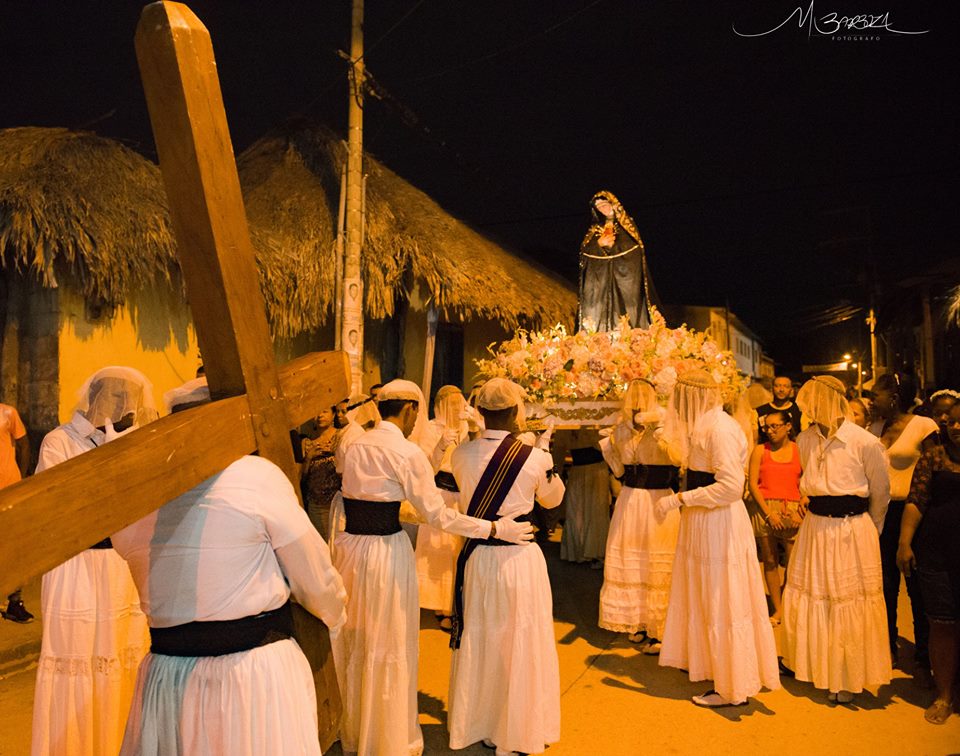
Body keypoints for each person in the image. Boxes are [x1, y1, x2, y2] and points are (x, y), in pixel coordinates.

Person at [113, 379, 347, 755]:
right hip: (251, 677)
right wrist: (334, 612)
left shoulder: (138, 495)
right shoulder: (254, 476)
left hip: (167, 677)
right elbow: (315, 576)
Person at [332, 379, 534, 756]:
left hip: (349, 551)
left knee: (356, 639)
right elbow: (437, 513)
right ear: (409, 410)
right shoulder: (404, 452)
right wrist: (491, 527)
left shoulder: (353, 443)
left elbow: (374, 490)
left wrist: (440, 448)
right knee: (389, 641)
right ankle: (387, 737)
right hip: (385, 556)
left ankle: (357, 730)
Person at [31, 367, 157, 756]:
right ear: (95, 397)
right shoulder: (60, 441)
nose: (122, 406)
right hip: (76, 564)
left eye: (128, 399)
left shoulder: (131, 441)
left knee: (121, 656)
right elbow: (57, 501)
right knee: (76, 655)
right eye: (115, 396)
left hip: (119, 567)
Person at [448, 378, 565, 756]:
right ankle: (518, 731)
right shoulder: (533, 457)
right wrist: (546, 453)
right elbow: (551, 500)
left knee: (484, 637)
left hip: (478, 558)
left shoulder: (459, 455)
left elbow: (454, 500)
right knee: (520, 640)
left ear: (480, 412)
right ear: (517, 412)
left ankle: (484, 721)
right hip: (518, 561)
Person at [656, 370, 780, 707]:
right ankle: (716, 667)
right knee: (706, 596)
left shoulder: (720, 429)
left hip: (718, 522)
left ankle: (733, 685)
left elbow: (729, 487)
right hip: (703, 520)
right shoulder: (704, 427)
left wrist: (681, 499)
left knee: (723, 597)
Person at [781, 375, 892, 705]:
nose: (809, 408)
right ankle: (818, 666)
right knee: (817, 596)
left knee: (847, 600)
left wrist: (868, 531)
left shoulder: (864, 442)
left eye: (814, 402)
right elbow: (804, 483)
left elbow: (881, 493)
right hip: (816, 528)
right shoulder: (805, 439)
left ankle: (846, 676)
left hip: (850, 529)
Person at [598, 379, 680, 652]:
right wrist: (608, 447)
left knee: (658, 559)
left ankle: (661, 627)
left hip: (659, 499)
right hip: (631, 500)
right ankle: (640, 623)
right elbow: (620, 472)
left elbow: (680, 459)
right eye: (633, 398)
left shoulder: (667, 423)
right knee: (634, 557)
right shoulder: (621, 430)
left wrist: (659, 432)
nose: (638, 403)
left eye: (643, 397)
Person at [897, 401, 960, 724]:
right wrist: (905, 543)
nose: (956, 427)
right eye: (953, 423)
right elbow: (916, 501)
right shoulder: (933, 457)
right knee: (942, 623)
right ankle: (944, 694)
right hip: (937, 551)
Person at [872, 373, 939, 675]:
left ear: (894, 397)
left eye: (877, 395)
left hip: (913, 513)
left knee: (916, 586)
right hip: (881, 513)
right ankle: (887, 647)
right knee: (884, 585)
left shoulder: (925, 426)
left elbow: (935, 471)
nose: (873, 400)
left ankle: (924, 655)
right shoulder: (873, 428)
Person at [414, 385, 470, 629]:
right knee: (442, 551)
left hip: (463, 495)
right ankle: (442, 605)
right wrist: (441, 446)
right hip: (441, 493)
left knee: (460, 549)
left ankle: (459, 602)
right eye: (452, 404)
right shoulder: (431, 429)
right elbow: (425, 467)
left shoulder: (468, 428)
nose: (456, 408)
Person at [747, 409, 804, 626]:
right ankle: (778, 609)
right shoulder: (760, 450)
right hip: (764, 509)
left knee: (792, 562)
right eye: (767, 427)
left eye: (775, 426)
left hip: (792, 509)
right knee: (770, 560)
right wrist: (768, 513)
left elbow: (807, 482)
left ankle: (788, 603)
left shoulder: (799, 450)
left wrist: (801, 508)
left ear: (788, 426)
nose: (770, 431)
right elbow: (753, 484)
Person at [578, 190, 657, 331]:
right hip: (600, 282)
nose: (603, 208)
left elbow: (636, 250)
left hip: (624, 279)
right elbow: (584, 256)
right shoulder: (594, 230)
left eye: (604, 203)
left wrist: (615, 248)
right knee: (595, 310)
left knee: (626, 312)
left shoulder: (627, 225)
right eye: (599, 207)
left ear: (613, 203)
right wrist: (599, 245)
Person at [556, 428, 610, 567]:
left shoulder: (598, 422)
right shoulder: (566, 425)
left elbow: (605, 446)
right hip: (579, 469)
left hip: (597, 470)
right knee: (575, 510)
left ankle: (596, 553)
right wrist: (557, 472)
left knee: (595, 510)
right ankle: (577, 551)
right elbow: (559, 449)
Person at [1, 401, 32, 623]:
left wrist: (20, 480)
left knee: (14, 548)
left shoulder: (8, 412)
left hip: (8, 489)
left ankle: (15, 602)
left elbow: (23, 445)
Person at [301, 405, 340, 539]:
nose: (320, 415)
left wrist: (336, 454)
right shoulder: (306, 443)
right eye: (316, 412)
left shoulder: (341, 437)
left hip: (338, 502)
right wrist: (309, 457)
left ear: (334, 414)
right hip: (316, 504)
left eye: (324, 411)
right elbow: (303, 477)